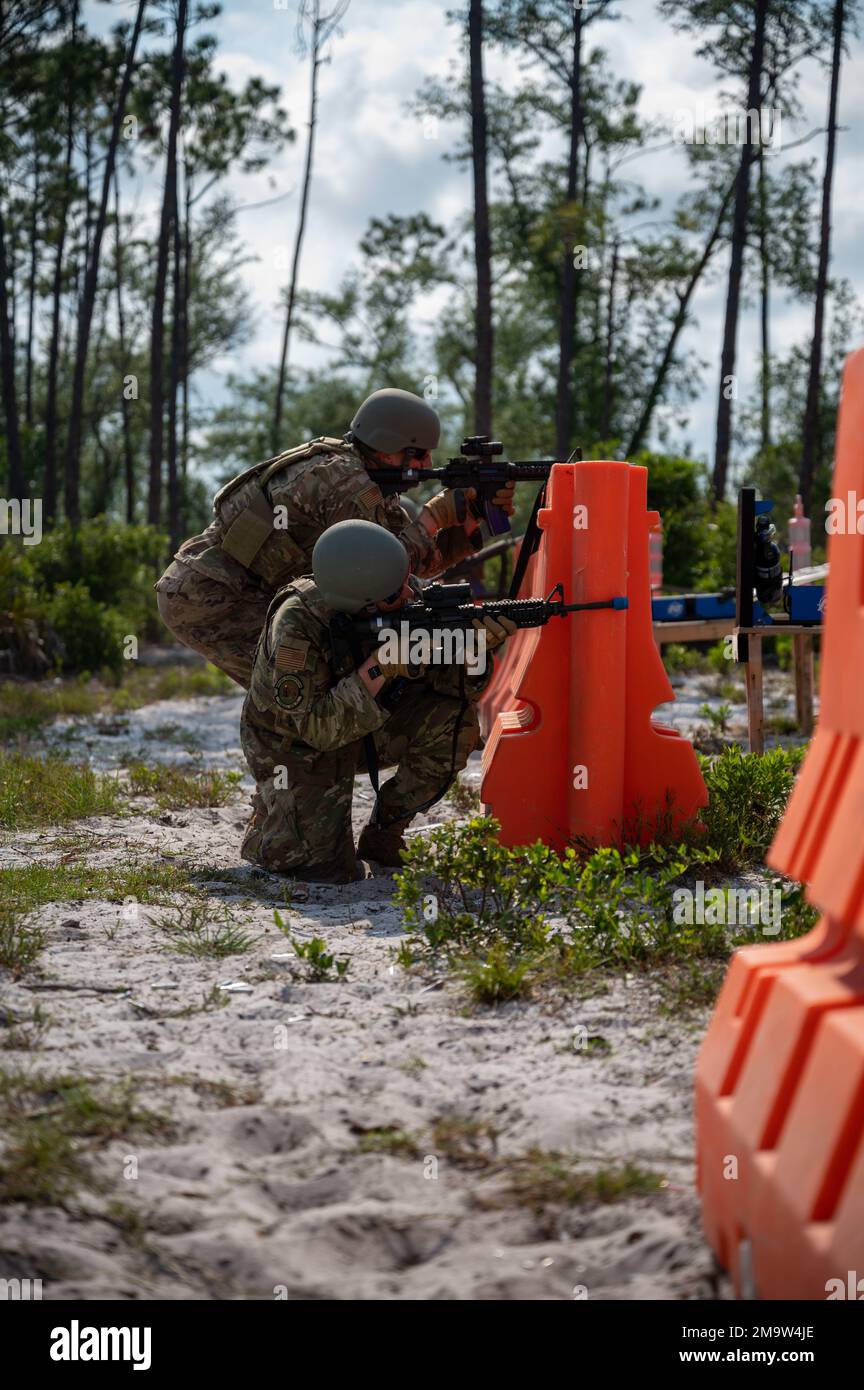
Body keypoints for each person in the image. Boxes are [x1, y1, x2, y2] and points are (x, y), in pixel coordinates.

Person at [155, 388, 515, 688]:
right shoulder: (345, 482)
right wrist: (433, 518)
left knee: (321, 677)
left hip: (237, 590)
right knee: (303, 684)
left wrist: (467, 526)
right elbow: (377, 576)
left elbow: (404, 568)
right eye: (418, 453)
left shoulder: (367, 480)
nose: (426, 463)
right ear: (386, 446)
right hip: (209, 598)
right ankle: (286, 752)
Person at [239, 519, 517, 882]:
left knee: (452, 723)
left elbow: (457, 691)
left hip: (362, 721)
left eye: (407, 582)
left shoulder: (398, 589)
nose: (409, 594)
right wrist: (380, 667)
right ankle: (271, 817)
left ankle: (385, 833)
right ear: (362, 604)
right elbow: (316, 729)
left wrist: (475, 650)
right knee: (322, 871)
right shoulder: (297, 624)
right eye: (393, 595)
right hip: (294, 745)